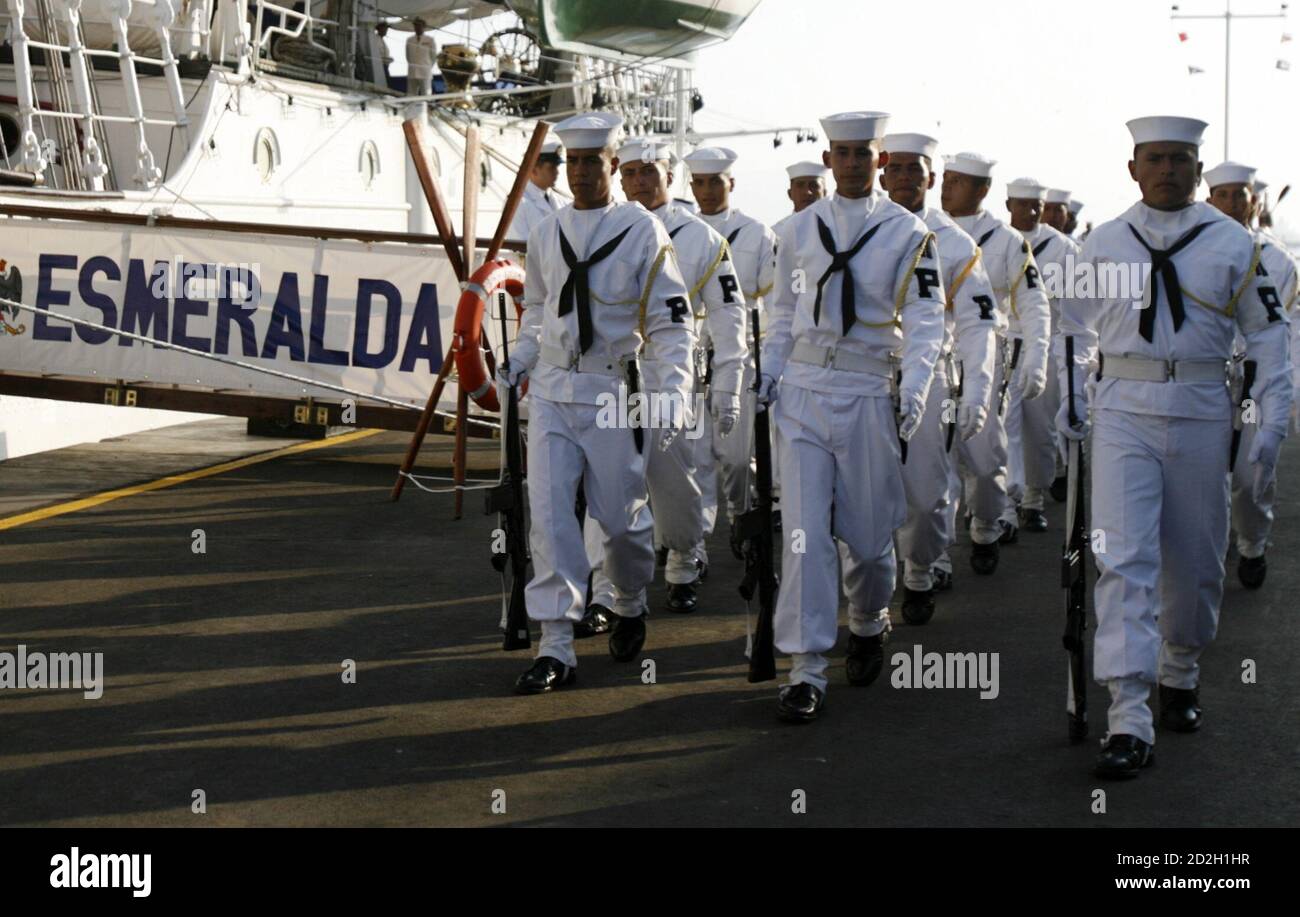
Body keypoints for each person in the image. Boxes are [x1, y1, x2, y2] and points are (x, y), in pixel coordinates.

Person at [1057, 116, 1292, 778]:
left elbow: (1271, 339)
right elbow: (1068, 328)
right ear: (1133, 167)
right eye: (1155, 158)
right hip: (1123, 407)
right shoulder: (1102, 243)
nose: (1167, 170)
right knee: (1124, 556)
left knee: (1192, 558)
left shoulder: (1232, 245)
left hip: (1198, 408)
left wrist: (1270, 422)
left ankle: (1180, 669)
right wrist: (1072, 402)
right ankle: (1128, 712)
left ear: (1198, 167)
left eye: (1181, 159)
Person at [498, 112, 696, 694]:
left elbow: (670, 322)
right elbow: (537, 307)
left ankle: (630, 597)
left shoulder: (642, 232)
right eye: (573, 162)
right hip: (556, 389)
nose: (581, 173)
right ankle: (555, 643)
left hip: (616, 388)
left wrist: (672, 391)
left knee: (618, 520)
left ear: (613, 165)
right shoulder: (545, 232)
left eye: (592, 161)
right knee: (552, 517)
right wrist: (522, 356)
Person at [761, 111, 945, 722]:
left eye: (863, 154)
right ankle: (806, 667)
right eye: (841, 153)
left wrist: (915, 388)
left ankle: (869, 618)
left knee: (867, 539)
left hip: (869, 387)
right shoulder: (796, 229)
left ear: (881, 160)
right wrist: (769, 369)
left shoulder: (908, 232)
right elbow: (783, 312)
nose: (851, 164)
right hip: (806, 390)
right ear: (828, 157)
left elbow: (925, 322)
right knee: (805, 533)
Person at [879, 132, 1000, 623]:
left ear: (933, 177)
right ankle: (873, 593)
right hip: (865, 378)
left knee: (927, 495)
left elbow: (978, 322)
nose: (906, 178)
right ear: (883, 172)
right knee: (864, 494)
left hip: (930, 380)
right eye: (898, 168)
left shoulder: (955, 242)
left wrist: (978, 388)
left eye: (916, 169)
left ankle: (921, 570)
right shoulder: (862, 228)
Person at [941, 154, 1051, 575]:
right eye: (946, 179)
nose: (947, 188)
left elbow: (1034, 302)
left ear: (983, 189)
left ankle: (986, 522)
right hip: (938, 361)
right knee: (937, 463)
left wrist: (1037, 355)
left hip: (986, 359)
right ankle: (932, 561)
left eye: (959, 181)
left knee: (985, 462)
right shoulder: (927, 230)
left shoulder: (1006, 241)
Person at [1204, 161, 1300, 588]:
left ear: (1254, 201)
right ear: (1208, 200)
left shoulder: (1276, 261)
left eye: (1238, 195)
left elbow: (1285, 331)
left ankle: (1252, 543)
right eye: (1221, 195)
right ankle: (1210, 541)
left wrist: (1285, 392)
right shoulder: (1190, 251)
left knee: (1250, 474)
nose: (1230, 203)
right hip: (1203, 380)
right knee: (1202, 471)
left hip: (1251, 383)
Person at [683, 146, 779, 548]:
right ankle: (697, 544)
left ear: (731, 184)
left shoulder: (757, 234)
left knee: (738, 459)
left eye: (714, 182)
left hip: (739, 355)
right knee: (696, 458)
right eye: (699, 183)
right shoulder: (681, 233)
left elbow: (772, 304)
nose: (707, 191)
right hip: (690, 354)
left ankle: (742, 513)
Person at [1006, 178, 1080, 529]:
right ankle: (1003, 506)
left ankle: (1034, 497)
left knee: (1039, 428)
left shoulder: (1063, 248)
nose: (1031, 211)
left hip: (1045, 345)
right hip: (1003, 344)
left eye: (1036, 204)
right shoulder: (997, 242)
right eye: (1023, 204)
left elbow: (1074, 308)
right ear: (1009, 206)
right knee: (1003, 428)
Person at [507, 140, 564, 242]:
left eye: (557, 167)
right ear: (534, 170)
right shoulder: (517, 202)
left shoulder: (561, 202)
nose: (557, 172)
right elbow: (518, 244)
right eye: (551, 168)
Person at [772, 161, 829, 239]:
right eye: (800, 185)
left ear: (825, 193)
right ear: (790, 194)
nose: (807, 192)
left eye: (814, 185)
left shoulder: (837, 227)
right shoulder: (777, 232)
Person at [406, 18, 436, 96]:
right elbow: (408, 56)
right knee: (411, 94)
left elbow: (433, 57)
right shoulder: (409, 40)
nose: (417, 27)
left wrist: (427, 66)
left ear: (424, 27)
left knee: (426, 94)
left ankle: (426, 107)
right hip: (412, 71)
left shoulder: (430, 40)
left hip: (425, 71)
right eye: (415, 26)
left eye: (419, 26)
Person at [375, 21, 393, 87]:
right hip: (379, 66)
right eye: (385, 28)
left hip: (385, 66)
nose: (386, 30)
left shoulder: (382, 40)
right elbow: (376, 54)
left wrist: (389, 59)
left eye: (386, 29)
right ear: (380, 28)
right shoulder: (375, 39)